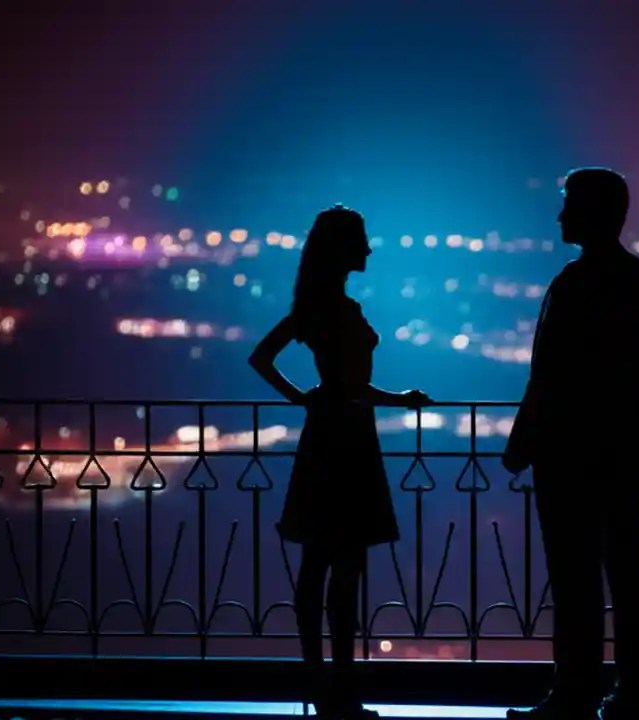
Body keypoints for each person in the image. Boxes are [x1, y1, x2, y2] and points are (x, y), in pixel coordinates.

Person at [250, 205, 432, 720]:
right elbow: (275, 361)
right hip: (345, 439)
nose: (369, 250)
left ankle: (325, 684)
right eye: (361, 241)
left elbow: (280, 363)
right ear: (342, 249)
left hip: (333, 432)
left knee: (321, 563)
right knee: (341, 566)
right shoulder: (330, 307)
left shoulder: (320, 305)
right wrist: (309, 398)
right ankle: (337, 688)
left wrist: (310, 398)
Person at [503, 168, 639, 720]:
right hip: (618, 447)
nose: (560, 216)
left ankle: (574, 691)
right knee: (626, 572)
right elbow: (629, 371)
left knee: (574, 576)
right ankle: (631, 690)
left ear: (592, 211)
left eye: (569, 204)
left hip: (569, 449)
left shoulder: (571, 284)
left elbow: (549, 373)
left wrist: (522, 442)